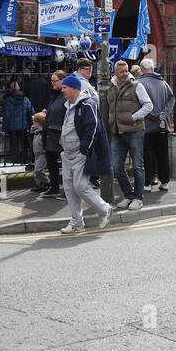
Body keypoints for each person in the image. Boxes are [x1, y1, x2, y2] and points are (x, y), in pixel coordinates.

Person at [56, 74, 113, 235]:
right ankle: (77, 223)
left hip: (80, 153)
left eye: (65, 87)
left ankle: (105, 209)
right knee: (69, 188)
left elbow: (92, 127)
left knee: (80, 186)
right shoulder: (68, 104)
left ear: (74, 88)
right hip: (67, 153)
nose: (62, 90)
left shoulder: (87, 104)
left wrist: (84, 149)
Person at [105, 59, 152, 210]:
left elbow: (148, 105)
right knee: (116, 166)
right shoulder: (110, 88)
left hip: (134, 131)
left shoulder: (136, 85)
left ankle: (138, 198)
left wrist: (134, 117)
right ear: (115, 73)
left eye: (126, 71)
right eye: (122, 71)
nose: (125, 74)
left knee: (138, 165)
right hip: (117, 132)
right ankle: (128, 195)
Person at [137, 59, 176, 193]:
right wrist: (163, 114)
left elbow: (139, 105)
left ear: (141, 70)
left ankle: (147, 182)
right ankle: (164, 182)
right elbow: (171, 99)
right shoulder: (163, 83)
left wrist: (153, 116)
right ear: (153, 69)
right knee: (162, 154)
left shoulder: (139, 84)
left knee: (147, 154)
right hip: (163, 125)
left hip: (147, 125)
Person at [40, 71, 68, 198]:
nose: (52, 83)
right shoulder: (54, 96)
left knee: (65, 164)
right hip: (50, 134)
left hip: (60, 134)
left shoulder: (65, 96)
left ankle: (67, 190)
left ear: (62, 81)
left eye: (55, 80)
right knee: (51, 162)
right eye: (51, 80)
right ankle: (54, 187)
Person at [3, 78, 35, 165]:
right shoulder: (26, 99)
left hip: (12, 127)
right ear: (19, 88)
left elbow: (7, 115)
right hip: (23, 126)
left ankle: (16, 162)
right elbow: (32, 112)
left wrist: (5, 128)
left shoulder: (8, 101)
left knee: (14, 146)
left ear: (10, 90)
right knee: (24, 146)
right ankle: (24, 161)